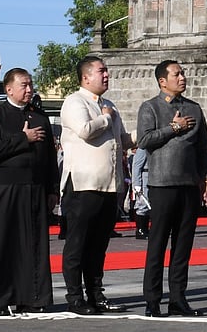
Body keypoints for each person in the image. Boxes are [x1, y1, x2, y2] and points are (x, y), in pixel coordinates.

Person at [0, 67, 59, 316]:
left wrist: (53, 188)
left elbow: (50, 158)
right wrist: (23, 139)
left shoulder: (40, 118)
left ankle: (30, 297)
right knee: (2, 245)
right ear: (8, 88)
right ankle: (0, 298)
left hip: (34, 189)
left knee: (33, 246)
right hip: (5, 190)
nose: (29, 89)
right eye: (24, 85)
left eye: (31, 85)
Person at [137, 59, 207, 317]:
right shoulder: (151, 107)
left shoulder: (195, 108)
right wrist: (173, 128)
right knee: (157, 245)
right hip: (162, 184)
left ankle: (178, 298)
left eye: (183, 73)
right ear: (162, 81)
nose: (182, 77)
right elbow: (145, 140)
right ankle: (152, 299)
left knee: (183, 247)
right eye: (176, 74)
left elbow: (203, 148)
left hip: (189, 185)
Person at [59, 55, 135, 315]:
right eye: (101, 71)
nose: (107, 75)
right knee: (77, 245)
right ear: (86, 77)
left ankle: (95, 293)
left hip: (108, 186)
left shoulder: (109, 105)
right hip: (82, 185)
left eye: (107, 71)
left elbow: (122, 140)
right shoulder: (74, 101)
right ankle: (74, 297)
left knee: (98, 246)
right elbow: (84, 130)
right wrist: (105, 118)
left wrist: (146, 132)